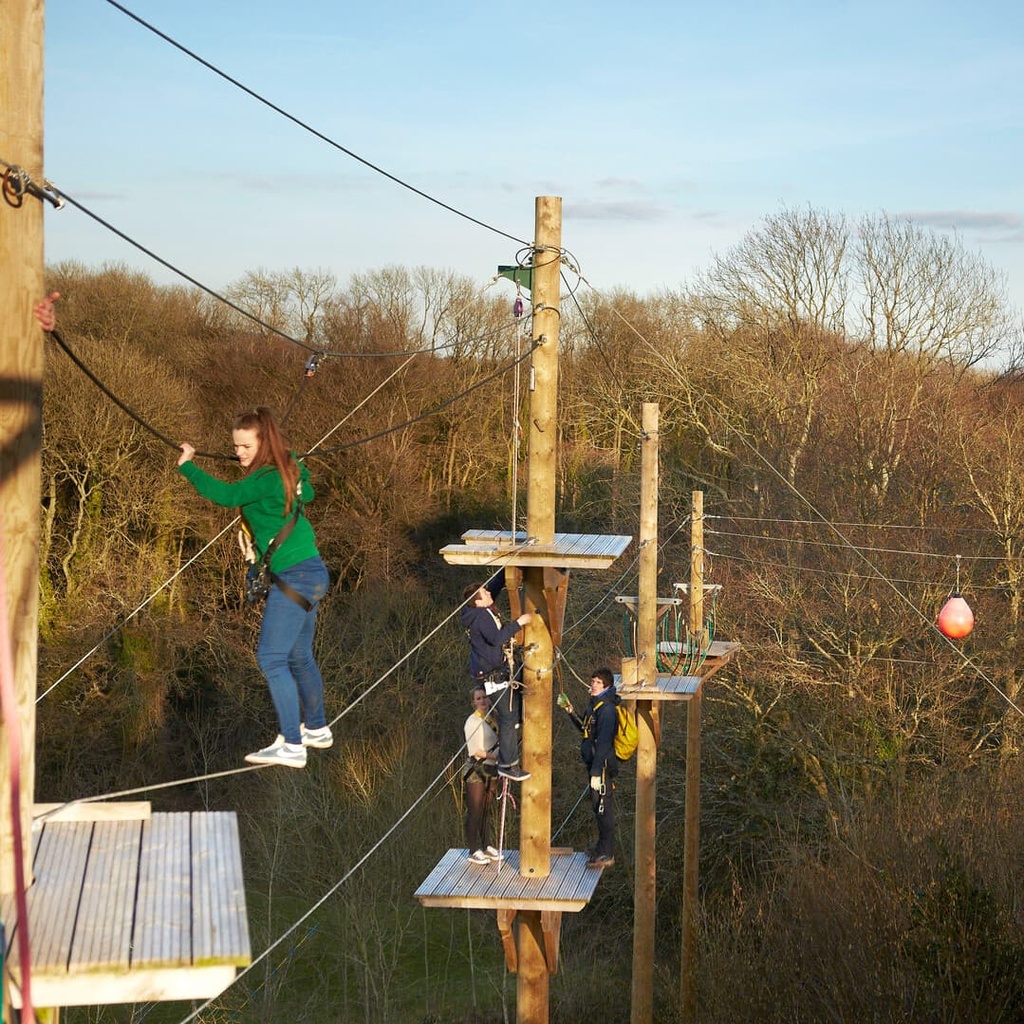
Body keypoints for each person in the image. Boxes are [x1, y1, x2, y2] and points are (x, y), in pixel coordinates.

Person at [177, 407, 331, 768]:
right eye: (236, 447)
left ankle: (292, 744)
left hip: (294, 576)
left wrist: (187, 465)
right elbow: (305, 490)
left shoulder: (264, 479)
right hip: (312, 573)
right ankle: (317, 728)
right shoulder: (290, 467)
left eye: (246, 446)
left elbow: (226, 496)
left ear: (263, 443)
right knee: (298, 656)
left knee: (271, 658)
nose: (239, 454)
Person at [459, 572, 532, 782]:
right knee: (508, 719)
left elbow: (494, 587)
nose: (488, 592)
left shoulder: (478, 610)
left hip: (497, 669)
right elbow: (496, 638)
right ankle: (508, 765)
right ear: (478, 601)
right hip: (494, 674)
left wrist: (505, 570)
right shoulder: (481, 616)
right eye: (484, 592)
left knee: (514, 711)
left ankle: (510, 750)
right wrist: (519, 622)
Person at [558, 667, 620, 868]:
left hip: (601, 766)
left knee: (603, 808)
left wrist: (596, 772)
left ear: (607, 686)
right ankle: (601, 848)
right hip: (594, 763)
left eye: (598, 683)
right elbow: (586, 730)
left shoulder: (607, 710)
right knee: (597, 807)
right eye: (592, 681)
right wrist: (570, 712)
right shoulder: (595, 706)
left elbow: (603, 742)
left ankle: (607, 852)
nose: (593, 685)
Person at [463, 685, 502, 866]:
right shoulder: (473, 721)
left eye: (485, 697)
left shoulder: (492, 718)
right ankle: (473, 849)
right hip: (477, 770)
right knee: (475, 810)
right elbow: (477, 751)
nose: (483, 701)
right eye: (479, 698)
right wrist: (498, 757)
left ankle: (487, 845)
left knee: (486, 809)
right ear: (473, 702)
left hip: (492, 769)